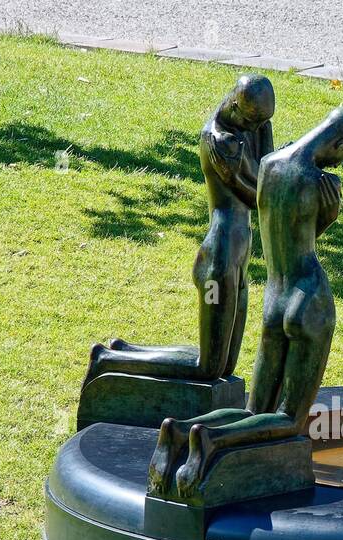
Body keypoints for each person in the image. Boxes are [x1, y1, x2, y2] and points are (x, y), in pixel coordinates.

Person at [148, 107, 343, 499]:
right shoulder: (318, 182)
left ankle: (180, 432)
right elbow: (309, 238)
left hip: (274, 301)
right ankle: (210, 440)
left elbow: (280, 227)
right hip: (309, 300)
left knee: (254, 413)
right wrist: (329, 214)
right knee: (288, 420)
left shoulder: (268, 164)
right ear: (337, 143)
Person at [86, 74, 275, 384]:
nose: (259, 129)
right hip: (221, 257)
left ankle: (126, 350)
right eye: (256, 122)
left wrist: (262, 127)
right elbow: (260, 193)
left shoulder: (245, 125)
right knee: (208, 367)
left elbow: (266, 165)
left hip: (240, 255)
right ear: (238, 108)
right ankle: (108, 359)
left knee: (225, 367)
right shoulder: (221, 141)